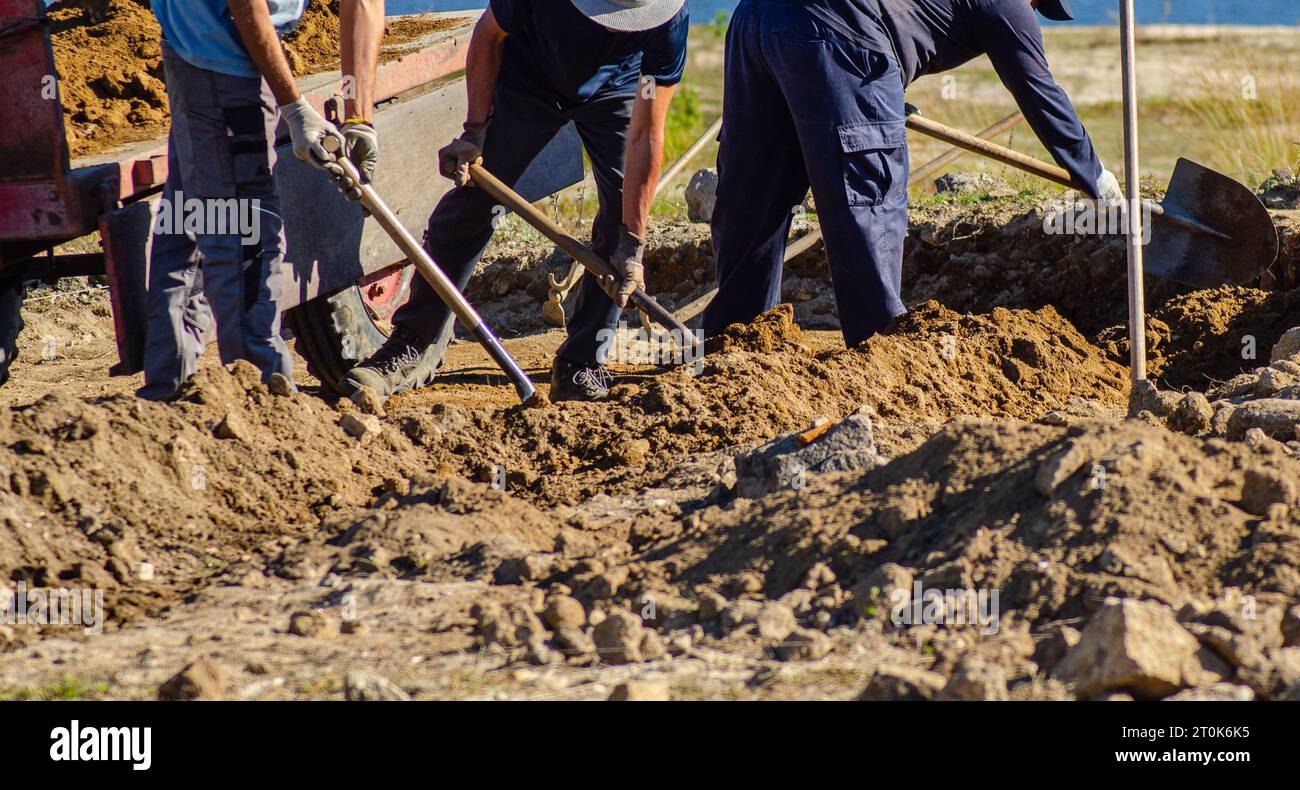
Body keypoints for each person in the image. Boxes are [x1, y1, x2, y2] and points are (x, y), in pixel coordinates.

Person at [704, 0, 1124, 349]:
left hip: (756, 19)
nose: (1033, 9)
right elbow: (1038, 91)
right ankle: (880, 349)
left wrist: (865, 92)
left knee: (753, 190)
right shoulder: (1010, 5)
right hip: (836, 31)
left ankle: (736, 342)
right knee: (868, 198)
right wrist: (1096, 176)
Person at [342, 0, 689, 403]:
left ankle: (582, 362)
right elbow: (489, 35)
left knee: (621, 225)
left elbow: (646, 133)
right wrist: (475, 131)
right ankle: (412, 344)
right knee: (474, 204)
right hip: (531, 79)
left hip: (621, 88)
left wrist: (633, 242)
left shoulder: (668, 20)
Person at [138, 0, 384, 400]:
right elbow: (244, 4)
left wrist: (359, 118)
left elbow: (364, 3)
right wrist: (294, 107)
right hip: (224, 61)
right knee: (242, 232)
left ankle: (169, 390)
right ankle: (260, 397)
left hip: (198, 48)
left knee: (189, 222)